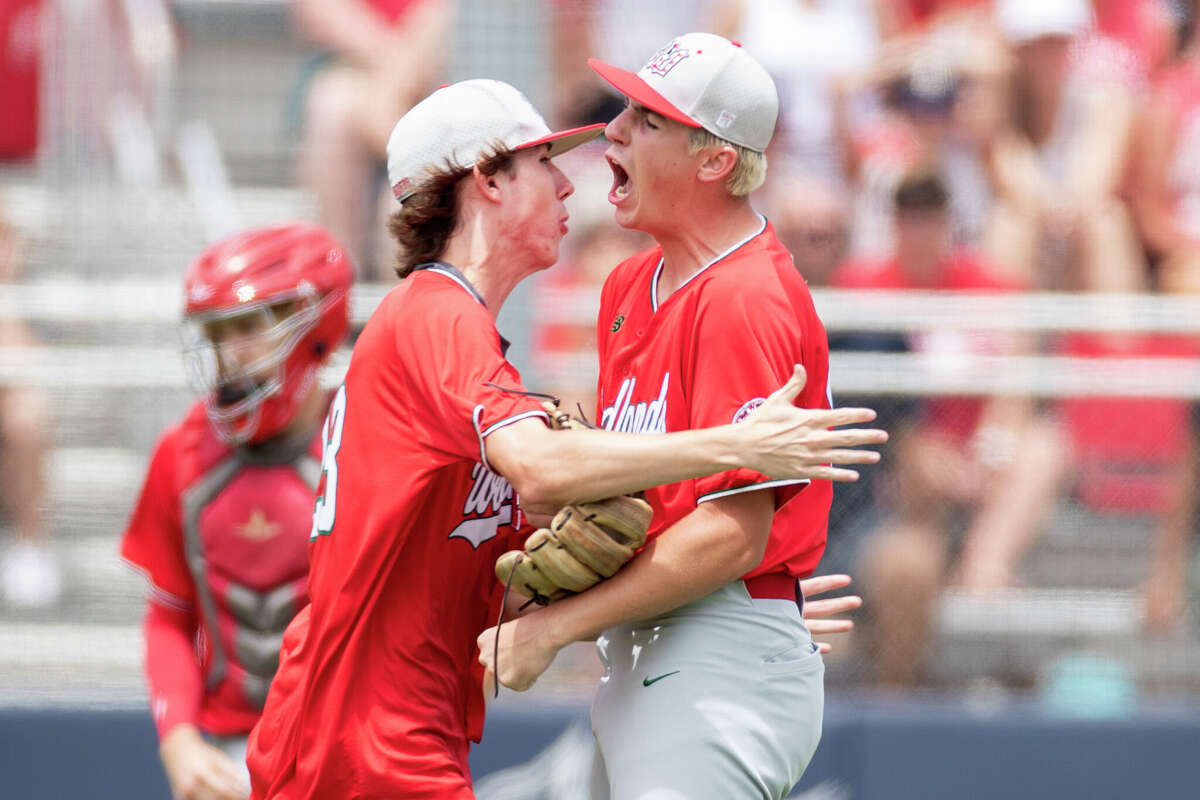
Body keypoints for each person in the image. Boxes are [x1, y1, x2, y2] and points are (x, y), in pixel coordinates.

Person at [246, 78, 887, 799]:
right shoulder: (434, 315)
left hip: (390, 735)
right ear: (486, 181)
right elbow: (544, 468)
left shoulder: (468, 344)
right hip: (359, 740)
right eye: (542, 163)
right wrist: (735, 444)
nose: (565, 182)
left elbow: (518, 583)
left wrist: (740, 608)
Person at [481, 33, 846, 799]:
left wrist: (553, 628)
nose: (613, 130)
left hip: (717, 656)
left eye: (647, 121)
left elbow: (730, 535)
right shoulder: (627, 288)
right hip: (652, 650)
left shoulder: (746, 298)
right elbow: (643, 504)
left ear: (715, 159)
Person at [120, 223, 354, 800]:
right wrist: (177, 736)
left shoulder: (367, 444)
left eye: (251, 326)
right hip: (230, 759)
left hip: (348, 752)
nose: (231, 353)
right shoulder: (182, 453)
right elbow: (169, 614)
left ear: (315, 323)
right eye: (220, 333)